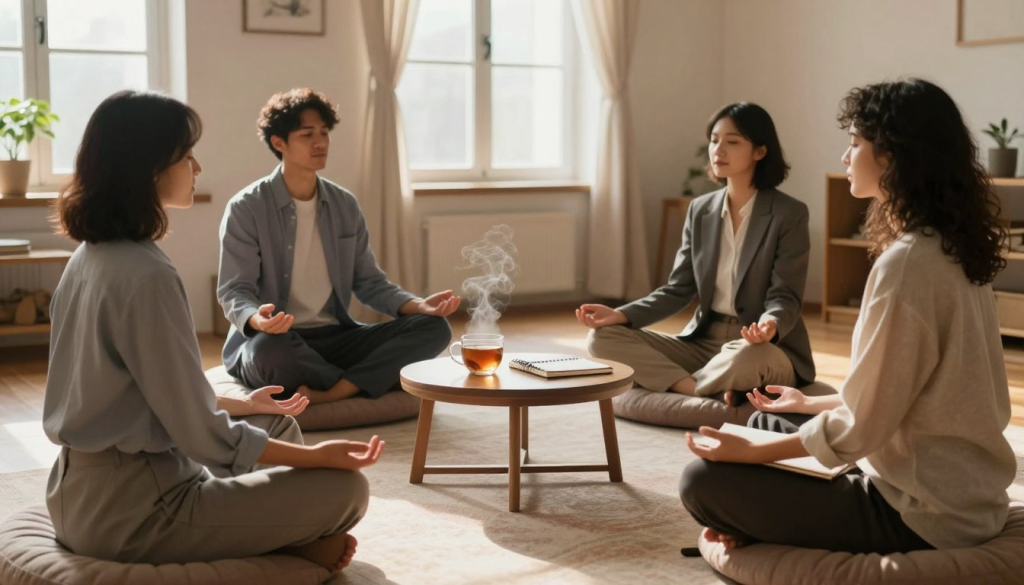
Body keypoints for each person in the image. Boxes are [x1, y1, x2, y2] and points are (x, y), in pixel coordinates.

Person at [44, 90, 383, 572]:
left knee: (276, 423)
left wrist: (247, 405)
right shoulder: (146, 275)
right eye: (187, 156)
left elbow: (141, 396)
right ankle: (285, 542)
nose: (197, 167)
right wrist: (319, 458)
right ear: (150, 168)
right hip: (138, 512)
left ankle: (281, 537)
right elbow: (199, 433)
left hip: (77, 493)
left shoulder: (89, 256)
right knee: (345, 488)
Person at [680, 78, 1016, 554]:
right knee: (765, 423)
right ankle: (758, 517)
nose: (844, 156)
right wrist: (806, 403)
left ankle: (754, 522)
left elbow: (863, 426)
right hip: (963, 491)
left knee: (702, 481)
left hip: (919, 512)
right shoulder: (952, 248)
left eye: (855, 143)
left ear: (892, 157)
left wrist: (755, 455)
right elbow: (901, 396)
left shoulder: (907, 265)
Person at [218, 88, 458, 405]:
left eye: (324, 133)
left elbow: (370, 283)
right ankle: (366, 380)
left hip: (337, 337)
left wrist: (418, 305)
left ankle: (336, 390)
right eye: (307, 135)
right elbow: (234, 291)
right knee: (269, 353)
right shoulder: (246, 207)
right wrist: (257, 320)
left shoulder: (344, 204)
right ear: (279, 143)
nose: (320, 142)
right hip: (275, 340)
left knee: (435, 329)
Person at [578, 103, 814, 407]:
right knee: (602, 337)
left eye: (732, 142)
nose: (718, 150)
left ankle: (693, 383)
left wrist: (770, 325)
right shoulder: (700, 210)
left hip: (759, 346)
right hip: (702, 343)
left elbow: (785, 296)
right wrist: (621, 314)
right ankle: (698, 389)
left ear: (760, 151)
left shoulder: (789, 213)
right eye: (714, 140)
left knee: (748, 357)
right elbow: (678, 289)